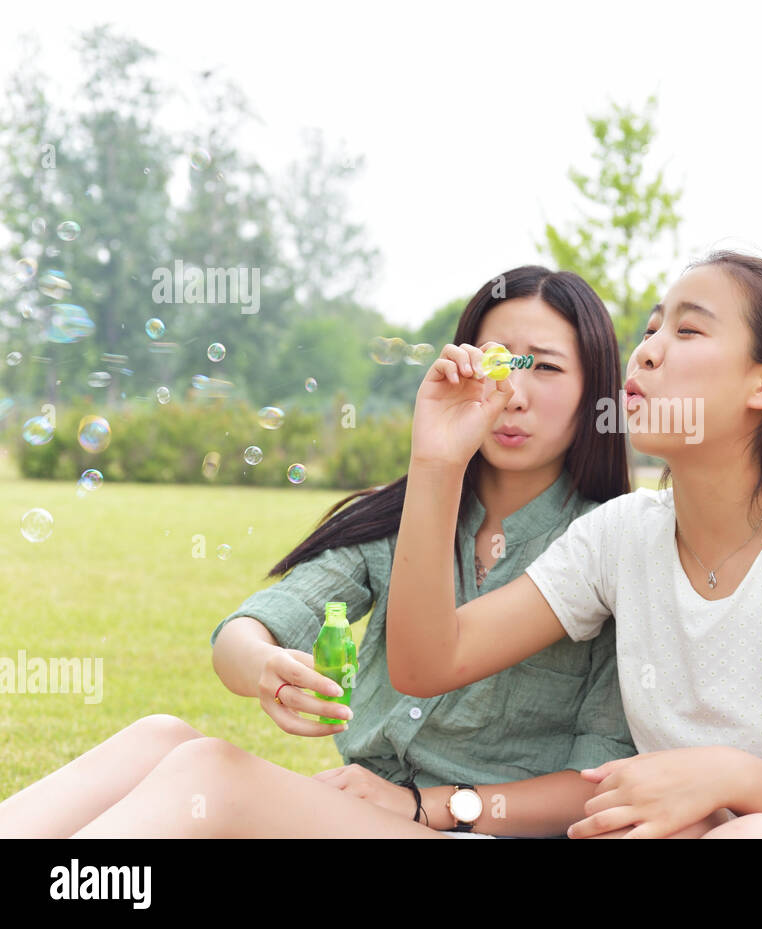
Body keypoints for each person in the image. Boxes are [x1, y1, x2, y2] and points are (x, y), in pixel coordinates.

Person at [0, 265, 637, 839]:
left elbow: (596, 786)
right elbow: (249, 629)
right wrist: (263, 668)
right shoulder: (402, 518)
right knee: (159, 737)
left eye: (546, 367)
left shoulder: (607, 546)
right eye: (498, 364)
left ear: (593, 393)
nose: (513, 393)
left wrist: (423, 805)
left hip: (468, 832)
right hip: (357, 816)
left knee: (210, 773)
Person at [386, 250, 762, 838]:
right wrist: (438, 460)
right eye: (651, 329)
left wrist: (732, 777)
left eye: (688, 330)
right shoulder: (622, 534)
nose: (646, 350)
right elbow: (427, 663)